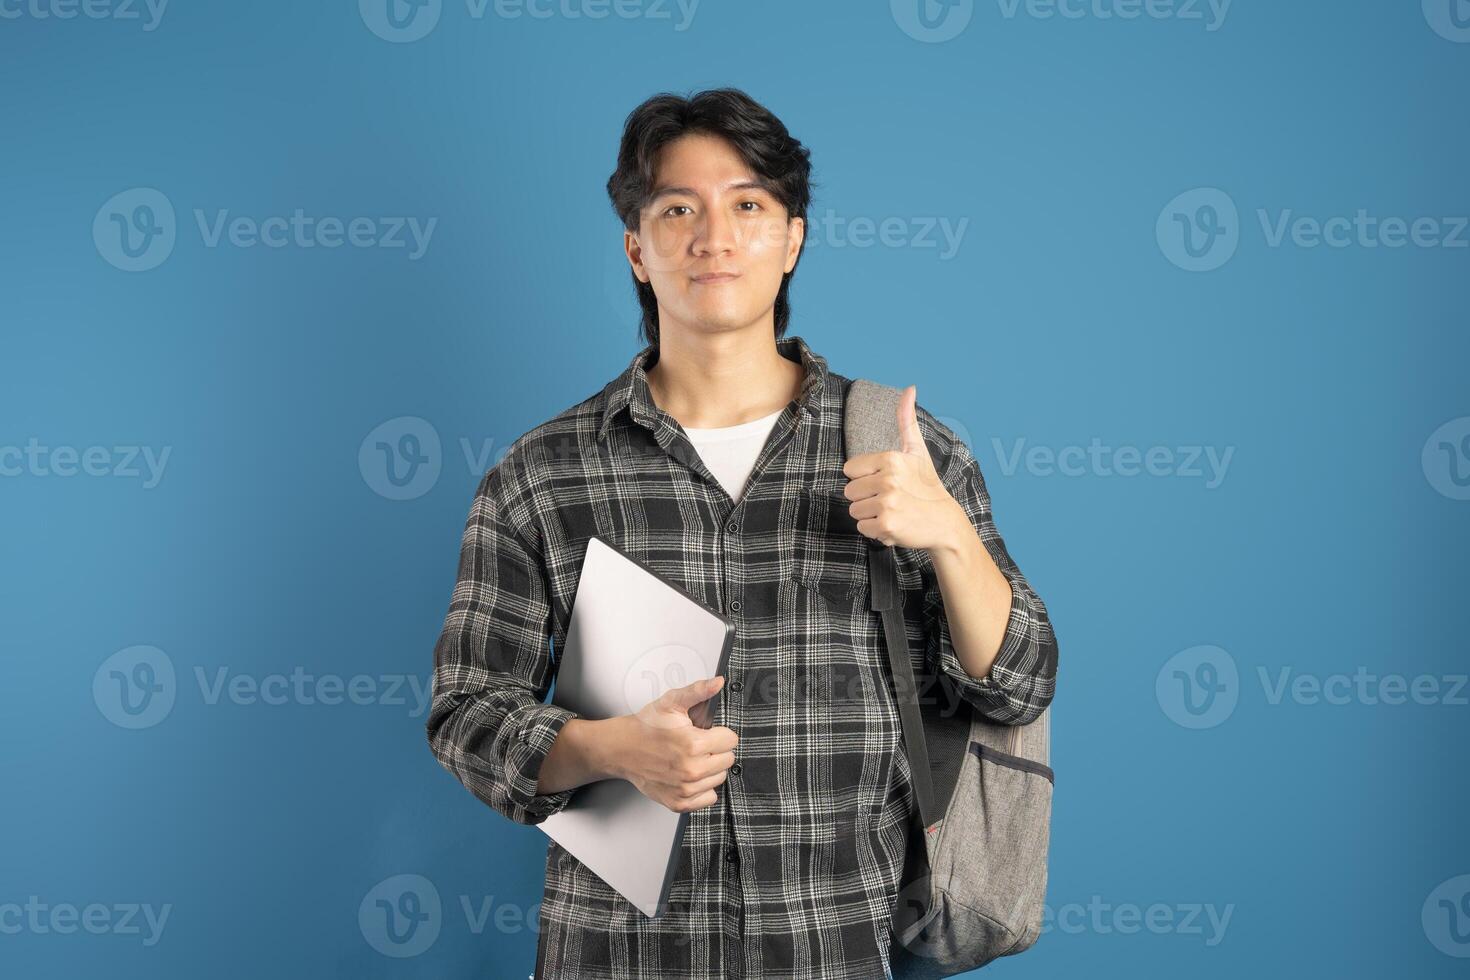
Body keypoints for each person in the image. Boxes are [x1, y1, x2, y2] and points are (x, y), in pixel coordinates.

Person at [426, 86, 1058, 980]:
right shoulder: (544, 474)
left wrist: (949, 536)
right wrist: (609, 749)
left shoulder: (904, 449)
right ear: (636, 250)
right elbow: (465, 714)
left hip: (835, 946)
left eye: (749, 205)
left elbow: (1023, 684)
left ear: (793, 238)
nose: (713, 237)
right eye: (678, 208)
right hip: (616, 957)